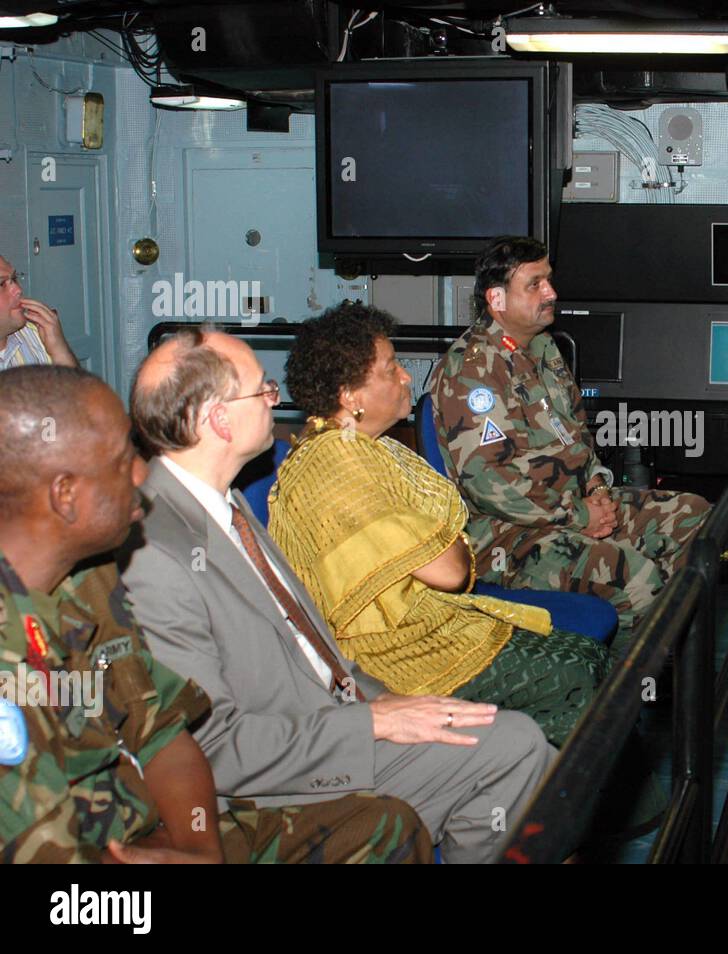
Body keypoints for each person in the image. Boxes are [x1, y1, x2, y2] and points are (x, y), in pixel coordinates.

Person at [118, 326, 557, 863]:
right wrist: (369, 723)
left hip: (331, 721)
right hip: (273, 784)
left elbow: (317, 655)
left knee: (516, 743)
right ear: (219, 420)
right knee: (515, 750)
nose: (275, 402)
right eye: (263, 391)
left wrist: (383, 700)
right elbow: (212, 750)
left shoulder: (222, 503)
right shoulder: (155, 553)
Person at [0, 364, 433, 863]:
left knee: (384, 826)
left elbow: (163, 731)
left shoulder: (90, 580)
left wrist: (199, 846)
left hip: (165, 830)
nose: (143, 476)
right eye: (123, 462)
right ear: (66, 496)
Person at [269, 305, 609, 747]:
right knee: (579, 672)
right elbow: (448, 570)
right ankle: (559, 802)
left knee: (588, 656)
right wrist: (448, 544)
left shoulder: (364, 448)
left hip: (429, 622)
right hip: (398, 654)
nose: (407, 377)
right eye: (391, 369)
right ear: (350, 395)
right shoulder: (338, 463)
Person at [433, 236, 710, 647]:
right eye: (535, 284)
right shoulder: (471, 372)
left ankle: (674, 660)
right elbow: (490, 484)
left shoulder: (544, 348)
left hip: (577, 502)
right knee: (636, 578)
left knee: (696, 517)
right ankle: (625, 692)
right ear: (497, 298)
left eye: (549, 281)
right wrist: (579, 516)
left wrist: (597, 487)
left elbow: (578, 435)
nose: (552, 293)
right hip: (507, 536)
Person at [0, 254, 78, 369]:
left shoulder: (36, 333)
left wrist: (60, 351)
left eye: (14, 278)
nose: (18, 290)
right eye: (2, 284)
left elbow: (76, 386)